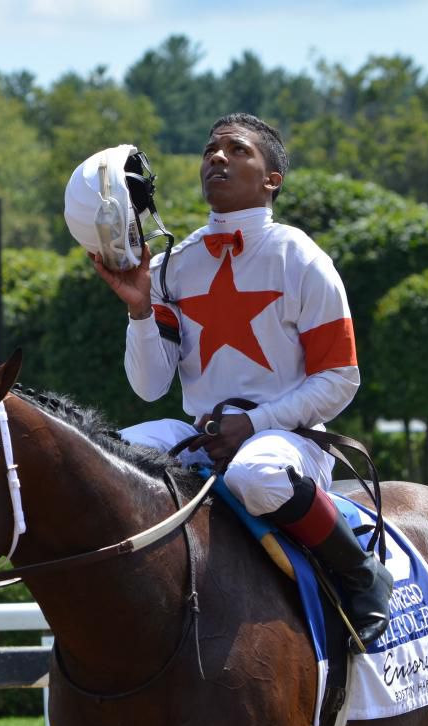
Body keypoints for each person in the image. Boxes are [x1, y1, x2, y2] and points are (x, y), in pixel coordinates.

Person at [79, 113, 393, 645]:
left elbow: (339, 379)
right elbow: (150, 387)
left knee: (255, 474)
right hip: (199, 434)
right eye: (210, 150)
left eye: (237, 150)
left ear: (273, 179)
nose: (217, 158)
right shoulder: (173, 265)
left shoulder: (302, 257)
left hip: (289, 443)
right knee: (106, 461)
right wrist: (138, 309)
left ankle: (363, 576)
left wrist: (253, 425)